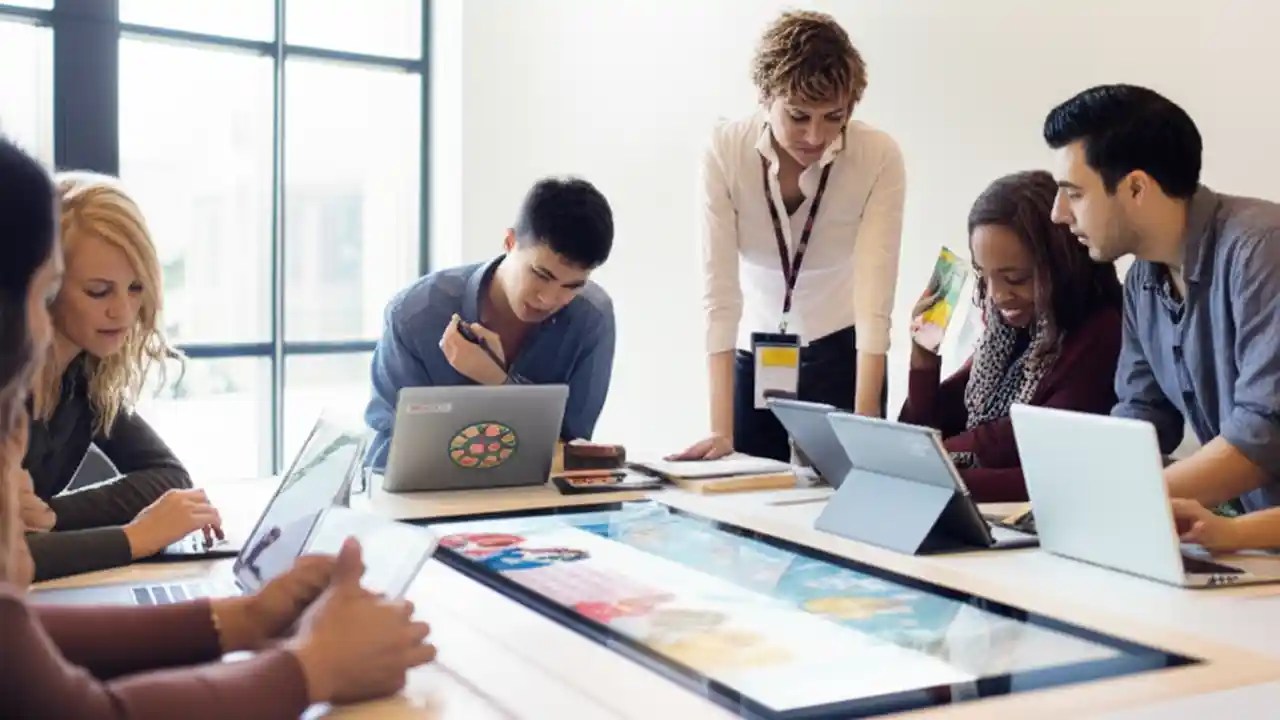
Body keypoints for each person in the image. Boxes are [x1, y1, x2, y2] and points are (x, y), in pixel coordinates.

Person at [0, 136, 435, 718]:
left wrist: (242, 620)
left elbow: (20, 637)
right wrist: (309, 669)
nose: (122, 312)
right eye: (46, 292)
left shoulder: (78, 380)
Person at [672, 10, 906, 463]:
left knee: (841, 502)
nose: (815, 135)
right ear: (765, 97)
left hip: (843, 349)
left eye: (833, 117)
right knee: (746, 501)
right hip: (754, 350)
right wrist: (720, 432)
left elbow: (876, 303)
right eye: (798, 116)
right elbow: (719, 297)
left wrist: (866, 426)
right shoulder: (725, 151)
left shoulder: (877, 156)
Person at [1044, 84, 1280, 521]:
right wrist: (1071, 488)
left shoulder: (1262, 250)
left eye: (1074, 193)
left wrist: (1110, 502)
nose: (1059, 213)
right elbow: (1142, 415)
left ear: (1136, 188)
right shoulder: (1141, 281)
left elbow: (1264, 437)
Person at [20, 172, 218, 582]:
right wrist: (135, 537)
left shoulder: (85, 377)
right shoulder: (9, 381)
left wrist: (53, 516)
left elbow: (169, 476)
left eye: (135, 288)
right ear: (46, 286)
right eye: (98, 292)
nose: (124, 313)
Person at [898, 171, 1123, 502]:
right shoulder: (1007, 334)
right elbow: (921, 432)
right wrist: (923, 358)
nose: (998, 295)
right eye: (983, 275)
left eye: (1015, 278)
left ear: (1062, 266)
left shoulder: (1099, 335)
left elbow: (1037, 462)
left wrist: (933, 472)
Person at [364, 176, 616, 469]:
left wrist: (499, 383)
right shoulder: (415, 315)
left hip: (539, 506)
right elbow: (386, 457)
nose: (549, 298)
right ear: (510, 242)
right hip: (425, 507)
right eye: (541, 275)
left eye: (572, 286)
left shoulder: (591, 318)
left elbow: (573, 451)